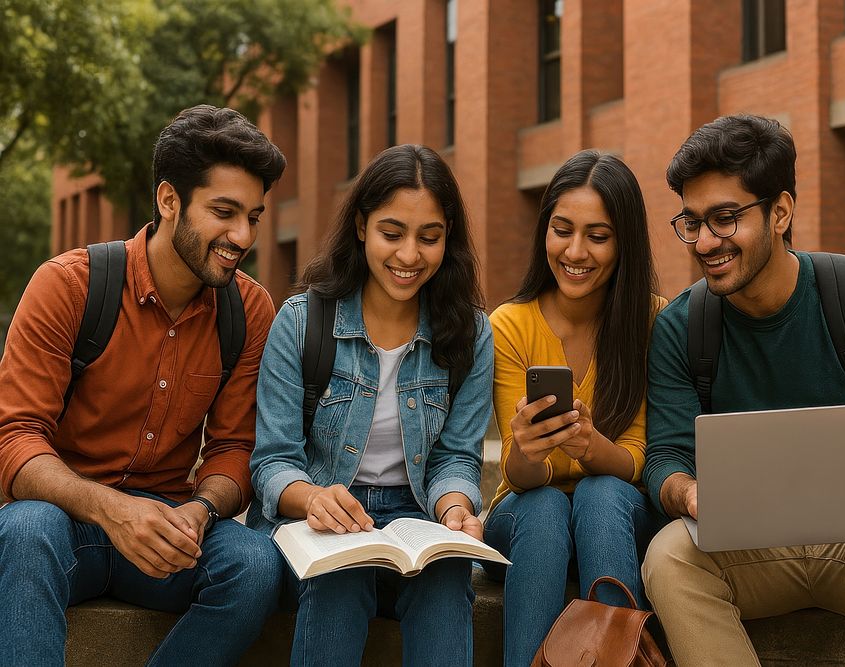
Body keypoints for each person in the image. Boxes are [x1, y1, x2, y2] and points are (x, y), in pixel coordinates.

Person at [641, 114, 845, 666]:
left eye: (725, 218)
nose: (705, 241)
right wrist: (689, 493)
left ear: (781, 212)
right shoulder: (680, 327)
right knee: (668, 555)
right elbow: (665, 457)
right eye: (692, 222)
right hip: (747, 554)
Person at [0, 104, 287, 665]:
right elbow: (14, 439)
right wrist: (112, 510)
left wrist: (201, 510)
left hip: (168, 532)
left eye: (253, 217)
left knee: (255, 565)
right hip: (63, 523)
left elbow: (235, 448)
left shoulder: (250, 310)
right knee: (26, 530)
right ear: (169, 200)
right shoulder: (67, 286)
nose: (242, 235)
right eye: (224, 212)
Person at [247, 144, 493, 667]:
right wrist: (314, 499)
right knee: (341, 573)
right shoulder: (302, 321)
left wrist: (455, 509)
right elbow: (273, 460)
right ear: (361, 227)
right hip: (321, 516)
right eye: (392, 233)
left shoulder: (470, 332)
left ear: (448, 236)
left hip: (417, 515)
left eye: (429, 237)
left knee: (447, 578)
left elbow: (457, 457)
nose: (409, 256)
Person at [482, 150, 666, 666]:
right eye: (562, 230)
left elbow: (641, 459)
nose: (575, 251)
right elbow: (518, 478)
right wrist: (526, 450)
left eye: (598, 236)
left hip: (613, 523)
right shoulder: (509, 325)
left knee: (600, 492)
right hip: (525, 522)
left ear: (624, 243)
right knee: (544, 507)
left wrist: (592, 448)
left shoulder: (652, 321)